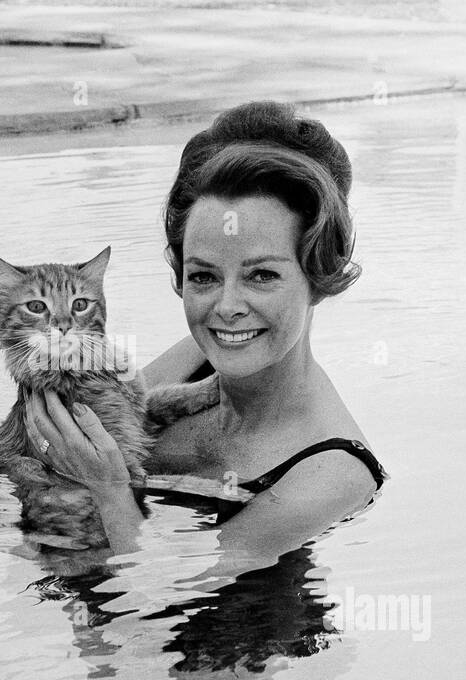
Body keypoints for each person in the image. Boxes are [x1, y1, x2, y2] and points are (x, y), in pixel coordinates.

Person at [24, 100, 387, 559]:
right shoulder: (195, 362)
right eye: (204, 276)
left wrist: (109, 490)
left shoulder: (333, 472)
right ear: (178, 275)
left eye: (262, 276)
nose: (227, 309)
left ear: (318, 277)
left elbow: (167, 603)